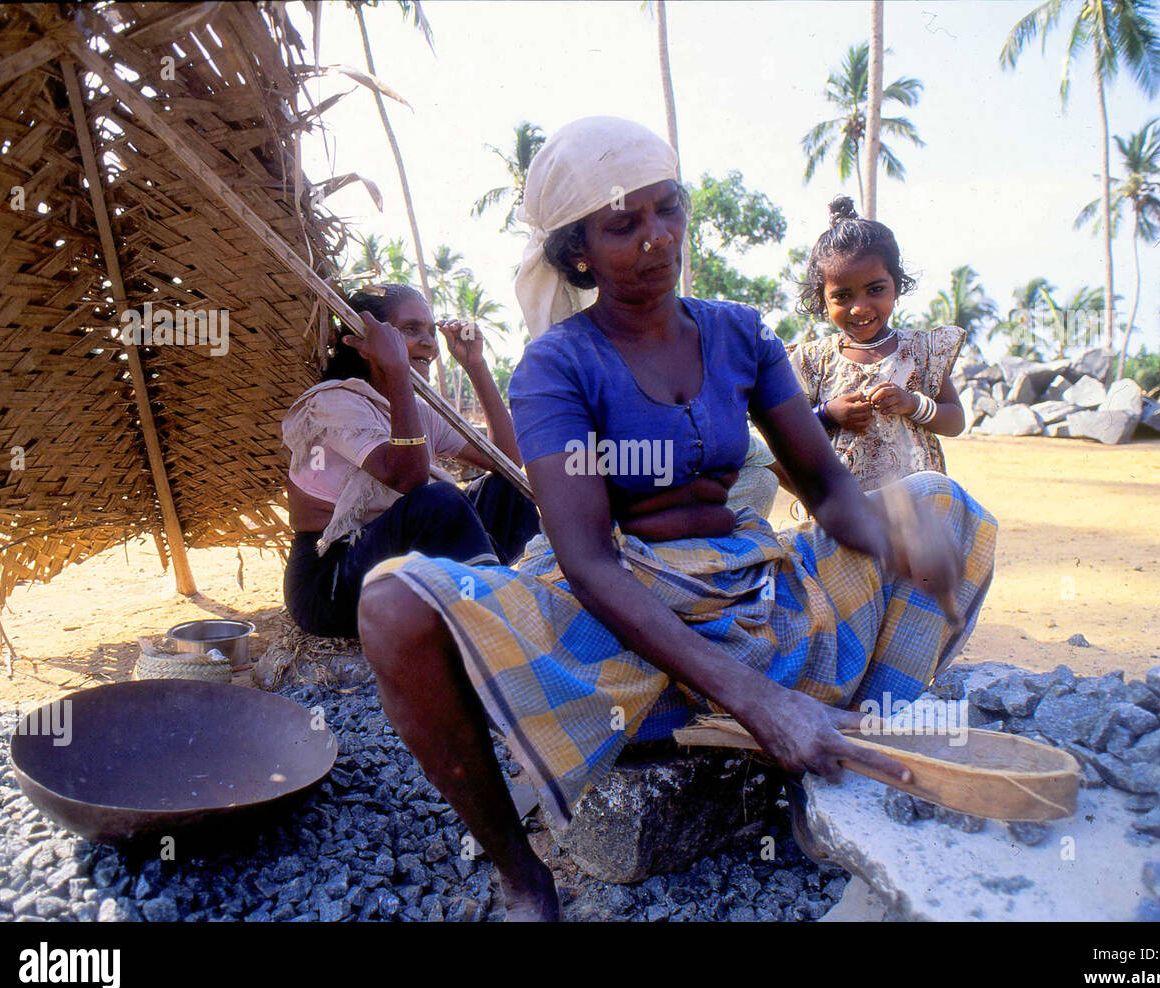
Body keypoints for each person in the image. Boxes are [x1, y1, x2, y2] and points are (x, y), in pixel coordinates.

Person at [355, 118, 996, 920]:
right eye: (624, 225)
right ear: (577, 251)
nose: (657, 239)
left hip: (754, 600)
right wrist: (757, 701)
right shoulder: (558, 363)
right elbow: (586, 560)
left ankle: (847, 748)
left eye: (667, 211)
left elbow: (827, 489)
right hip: (623, 621)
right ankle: (521, 873)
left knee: (942, 506)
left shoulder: (740, 332)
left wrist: (894, 538)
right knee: (391, 604)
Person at [281, 283, 539, 639]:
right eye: (410, 330)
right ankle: (493, 614)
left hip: (393, 561)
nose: (430, 343)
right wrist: (398, 371)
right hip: (331, 583)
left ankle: (486, 587)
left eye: (431, 332)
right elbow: (408, 478)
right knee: (438, 501)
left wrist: (475, 366)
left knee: (509, 490)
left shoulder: (417, 410)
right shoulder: (333, 403)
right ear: (364, 341)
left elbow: (507, 460)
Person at [789, 197, 966, 491]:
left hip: (919, 507)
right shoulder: (813, 360)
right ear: (823, 299)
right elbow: (789, 427)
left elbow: (955, 421)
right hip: (847, 509)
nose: (859, 307)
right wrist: (827, 413)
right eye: (843, 297)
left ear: (896, 286)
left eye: (875, 290)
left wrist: (912, 403)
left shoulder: (922, 352)